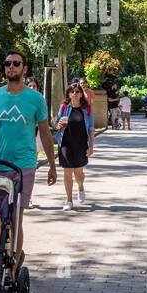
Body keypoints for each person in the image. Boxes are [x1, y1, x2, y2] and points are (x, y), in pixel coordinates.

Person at [0, 49, 57, 216]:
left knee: (15, 216)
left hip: (25, 165)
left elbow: (45, 133)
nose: (11, 67)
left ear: (24, 69)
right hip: (0, 163)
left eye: (16, 63)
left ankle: (13, 242)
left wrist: (52, 165)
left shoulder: (36, 99)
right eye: (7, 64)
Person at [54, 82, 95, 210]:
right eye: (72, 91)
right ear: (68, 94)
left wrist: (91, 146)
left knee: (78, 173)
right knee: (67, 172)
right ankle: (69, 200)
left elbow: (91, 129)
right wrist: (58, 125)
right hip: (66, 143)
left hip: (81, 144)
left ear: (81, 94)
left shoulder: (86, 109)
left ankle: (81, 187)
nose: (75, 94)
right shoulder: (64, 107)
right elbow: (56, 125)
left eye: (77, 91)